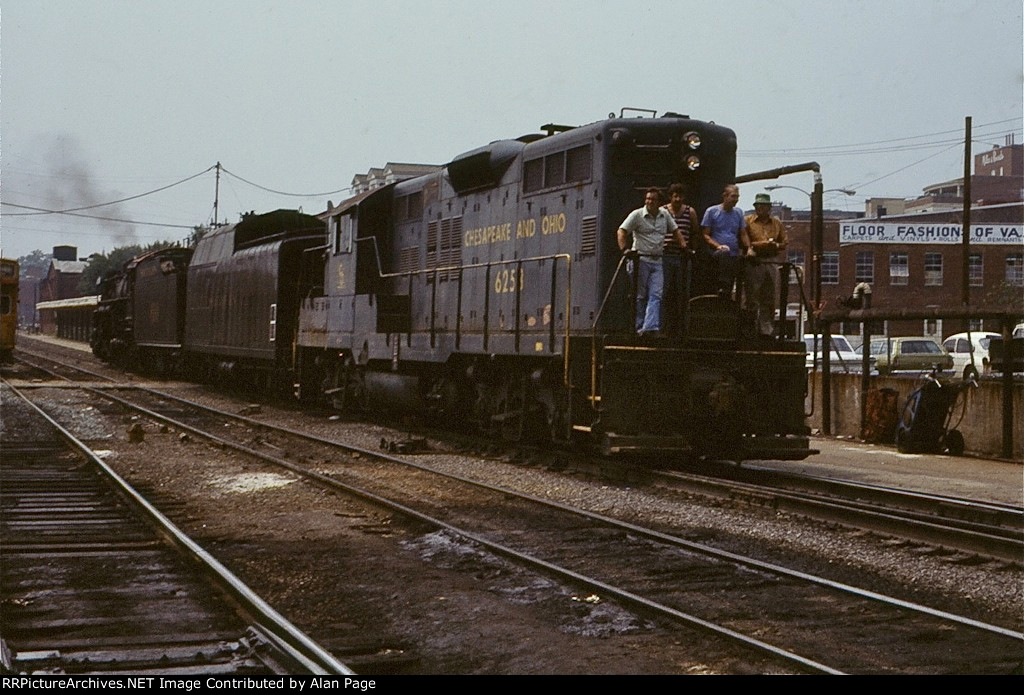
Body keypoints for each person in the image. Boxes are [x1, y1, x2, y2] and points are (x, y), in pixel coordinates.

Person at [617, 188, 682, 335]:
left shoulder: (664, 215)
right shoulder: (637, 215)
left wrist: (684, 247)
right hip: (641, 261)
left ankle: (650, 327)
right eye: (647, 199)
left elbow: (676, 231)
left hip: (658, 261)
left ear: (659, 202)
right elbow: (622, 231)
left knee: (656, 294)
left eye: (652, 199)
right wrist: (624, 249)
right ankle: (640, 326)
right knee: (640, 295)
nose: (649, 202)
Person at [743, 193, 788, 336]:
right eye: (757, 205)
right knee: (752, 294)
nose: (760, 208)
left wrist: (774, 245)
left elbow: (784, 243)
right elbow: (744, 241)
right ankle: (750, 327)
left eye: (763, 206)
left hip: (772, 261)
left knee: (769, 296)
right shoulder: (747, 221)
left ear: (769, 207)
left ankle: (766, 330)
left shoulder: (777, 223)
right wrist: (759, 244)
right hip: (754, 261)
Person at [661, 183, 699, 335]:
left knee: (683, 293)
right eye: (675, 196)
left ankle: (682, 328)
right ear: (670, 197)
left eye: (680, 196)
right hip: (664, 256)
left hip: (682, 258)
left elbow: (695, 232)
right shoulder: (663, 211)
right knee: (662, 292)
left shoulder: (690, 212)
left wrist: (692, 250)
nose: (677, 199)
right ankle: (662, 327)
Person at [700, 184, 747, 297]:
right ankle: (723, 284)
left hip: (734, 254)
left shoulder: (739, 212)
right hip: (716, 253)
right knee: (724, 253)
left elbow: (743, 233)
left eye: (737, 197)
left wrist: (749, 248)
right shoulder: (711, 211)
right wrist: (718, 246)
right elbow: (705, 235)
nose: (736, 200)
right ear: (725, 196)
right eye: (733, 196)